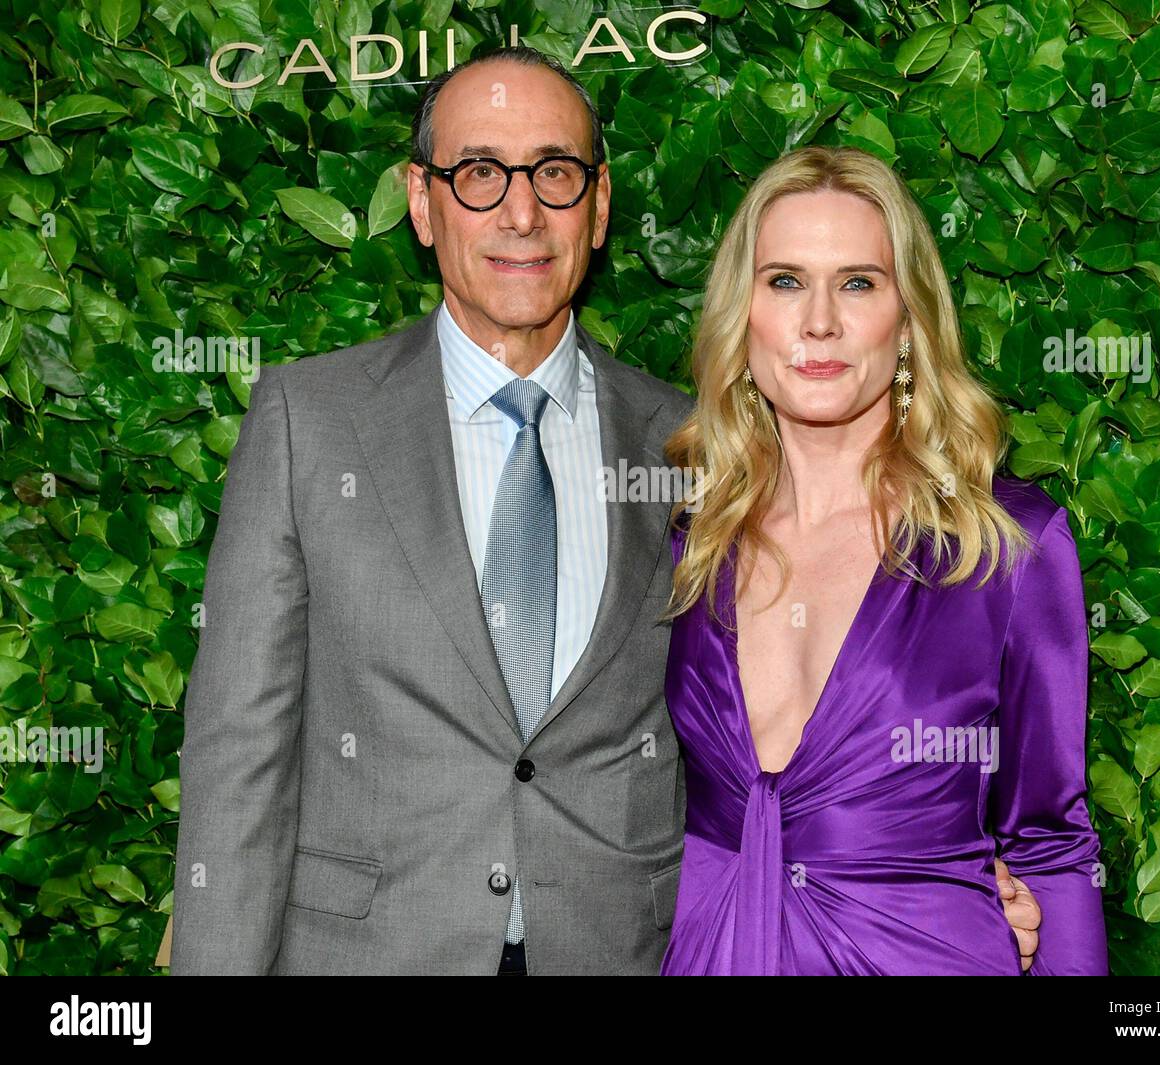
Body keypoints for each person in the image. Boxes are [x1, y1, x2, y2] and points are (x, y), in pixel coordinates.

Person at [166, 47, 1043, 975]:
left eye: (555, 173)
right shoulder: (313, 420)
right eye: (478, 174)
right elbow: (237, 760)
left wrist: (936, 885)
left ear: (600, 204)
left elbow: (769, 726)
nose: (520, 212)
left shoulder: (696, 450)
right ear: (422, 204)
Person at [658, 145, 1108, 975]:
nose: (819, 321)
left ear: (907, 319)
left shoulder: (1006, 548)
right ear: (741, 312)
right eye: (784, 280)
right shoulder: (688, 540)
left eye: (858, 282)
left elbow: (1050, 845)